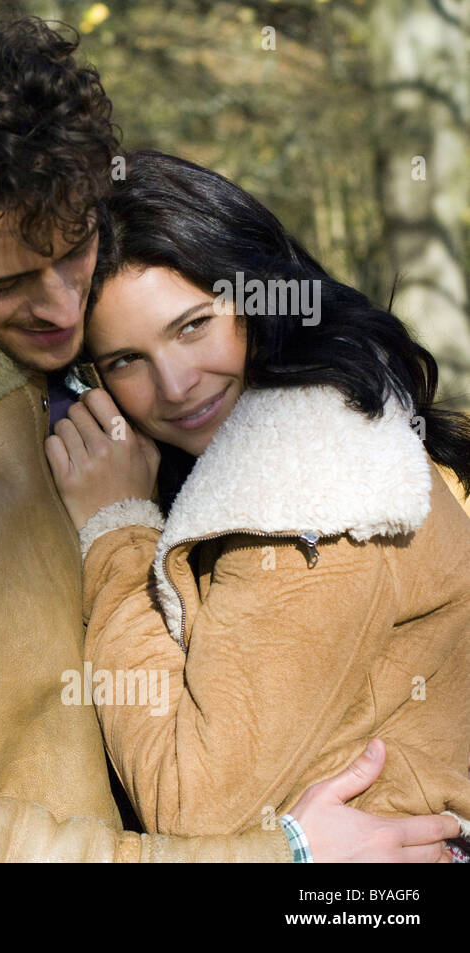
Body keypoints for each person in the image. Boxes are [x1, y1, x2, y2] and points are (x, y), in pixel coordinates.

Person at [0, 15, 461, 861]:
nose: (60, 304)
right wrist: (281, 855)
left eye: (75, 249)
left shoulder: (128, 374)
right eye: (8, 281)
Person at [46, 149, 470, 858]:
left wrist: (115, 530)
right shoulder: (283, 438)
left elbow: (192, 806)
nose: (175, 385)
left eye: (192, 326)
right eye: (125, 360)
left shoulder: (307, 480)